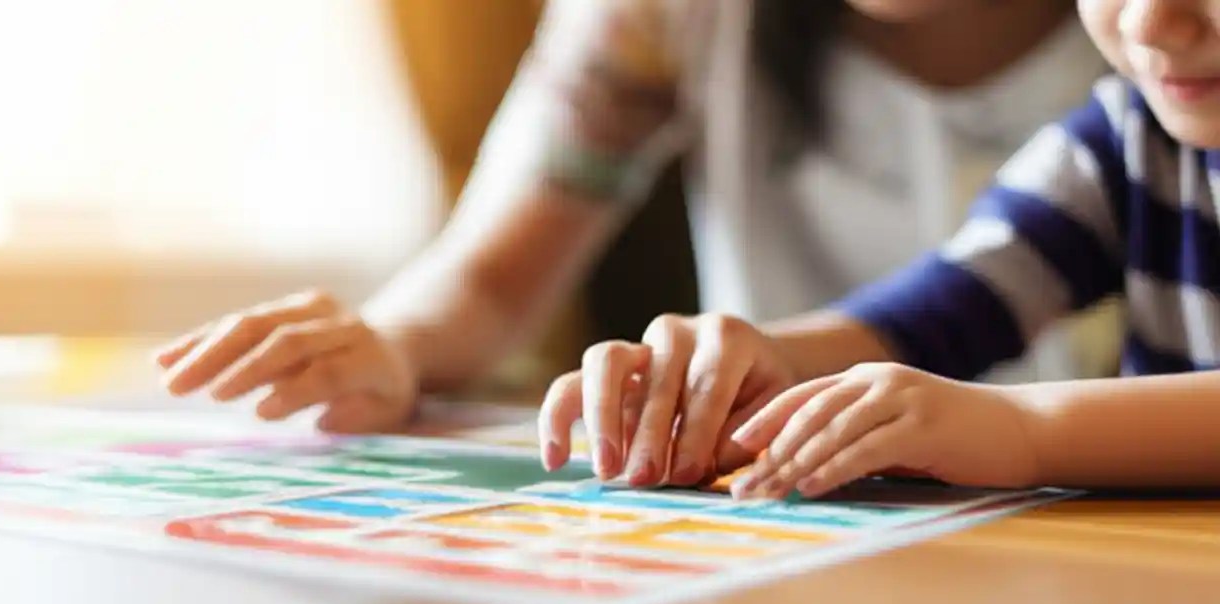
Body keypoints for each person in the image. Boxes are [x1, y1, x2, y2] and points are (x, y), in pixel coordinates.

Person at [154, 1, 1105, 446]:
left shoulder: (1175, 34)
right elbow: (489, 279)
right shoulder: (667, 13)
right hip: (793, 505)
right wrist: (392, 345)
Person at [540, 0, 1220, 499]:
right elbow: (945, 307)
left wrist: (1023, 430)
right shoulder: (1126, 137)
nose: (1149, 23)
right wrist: (766, 366)